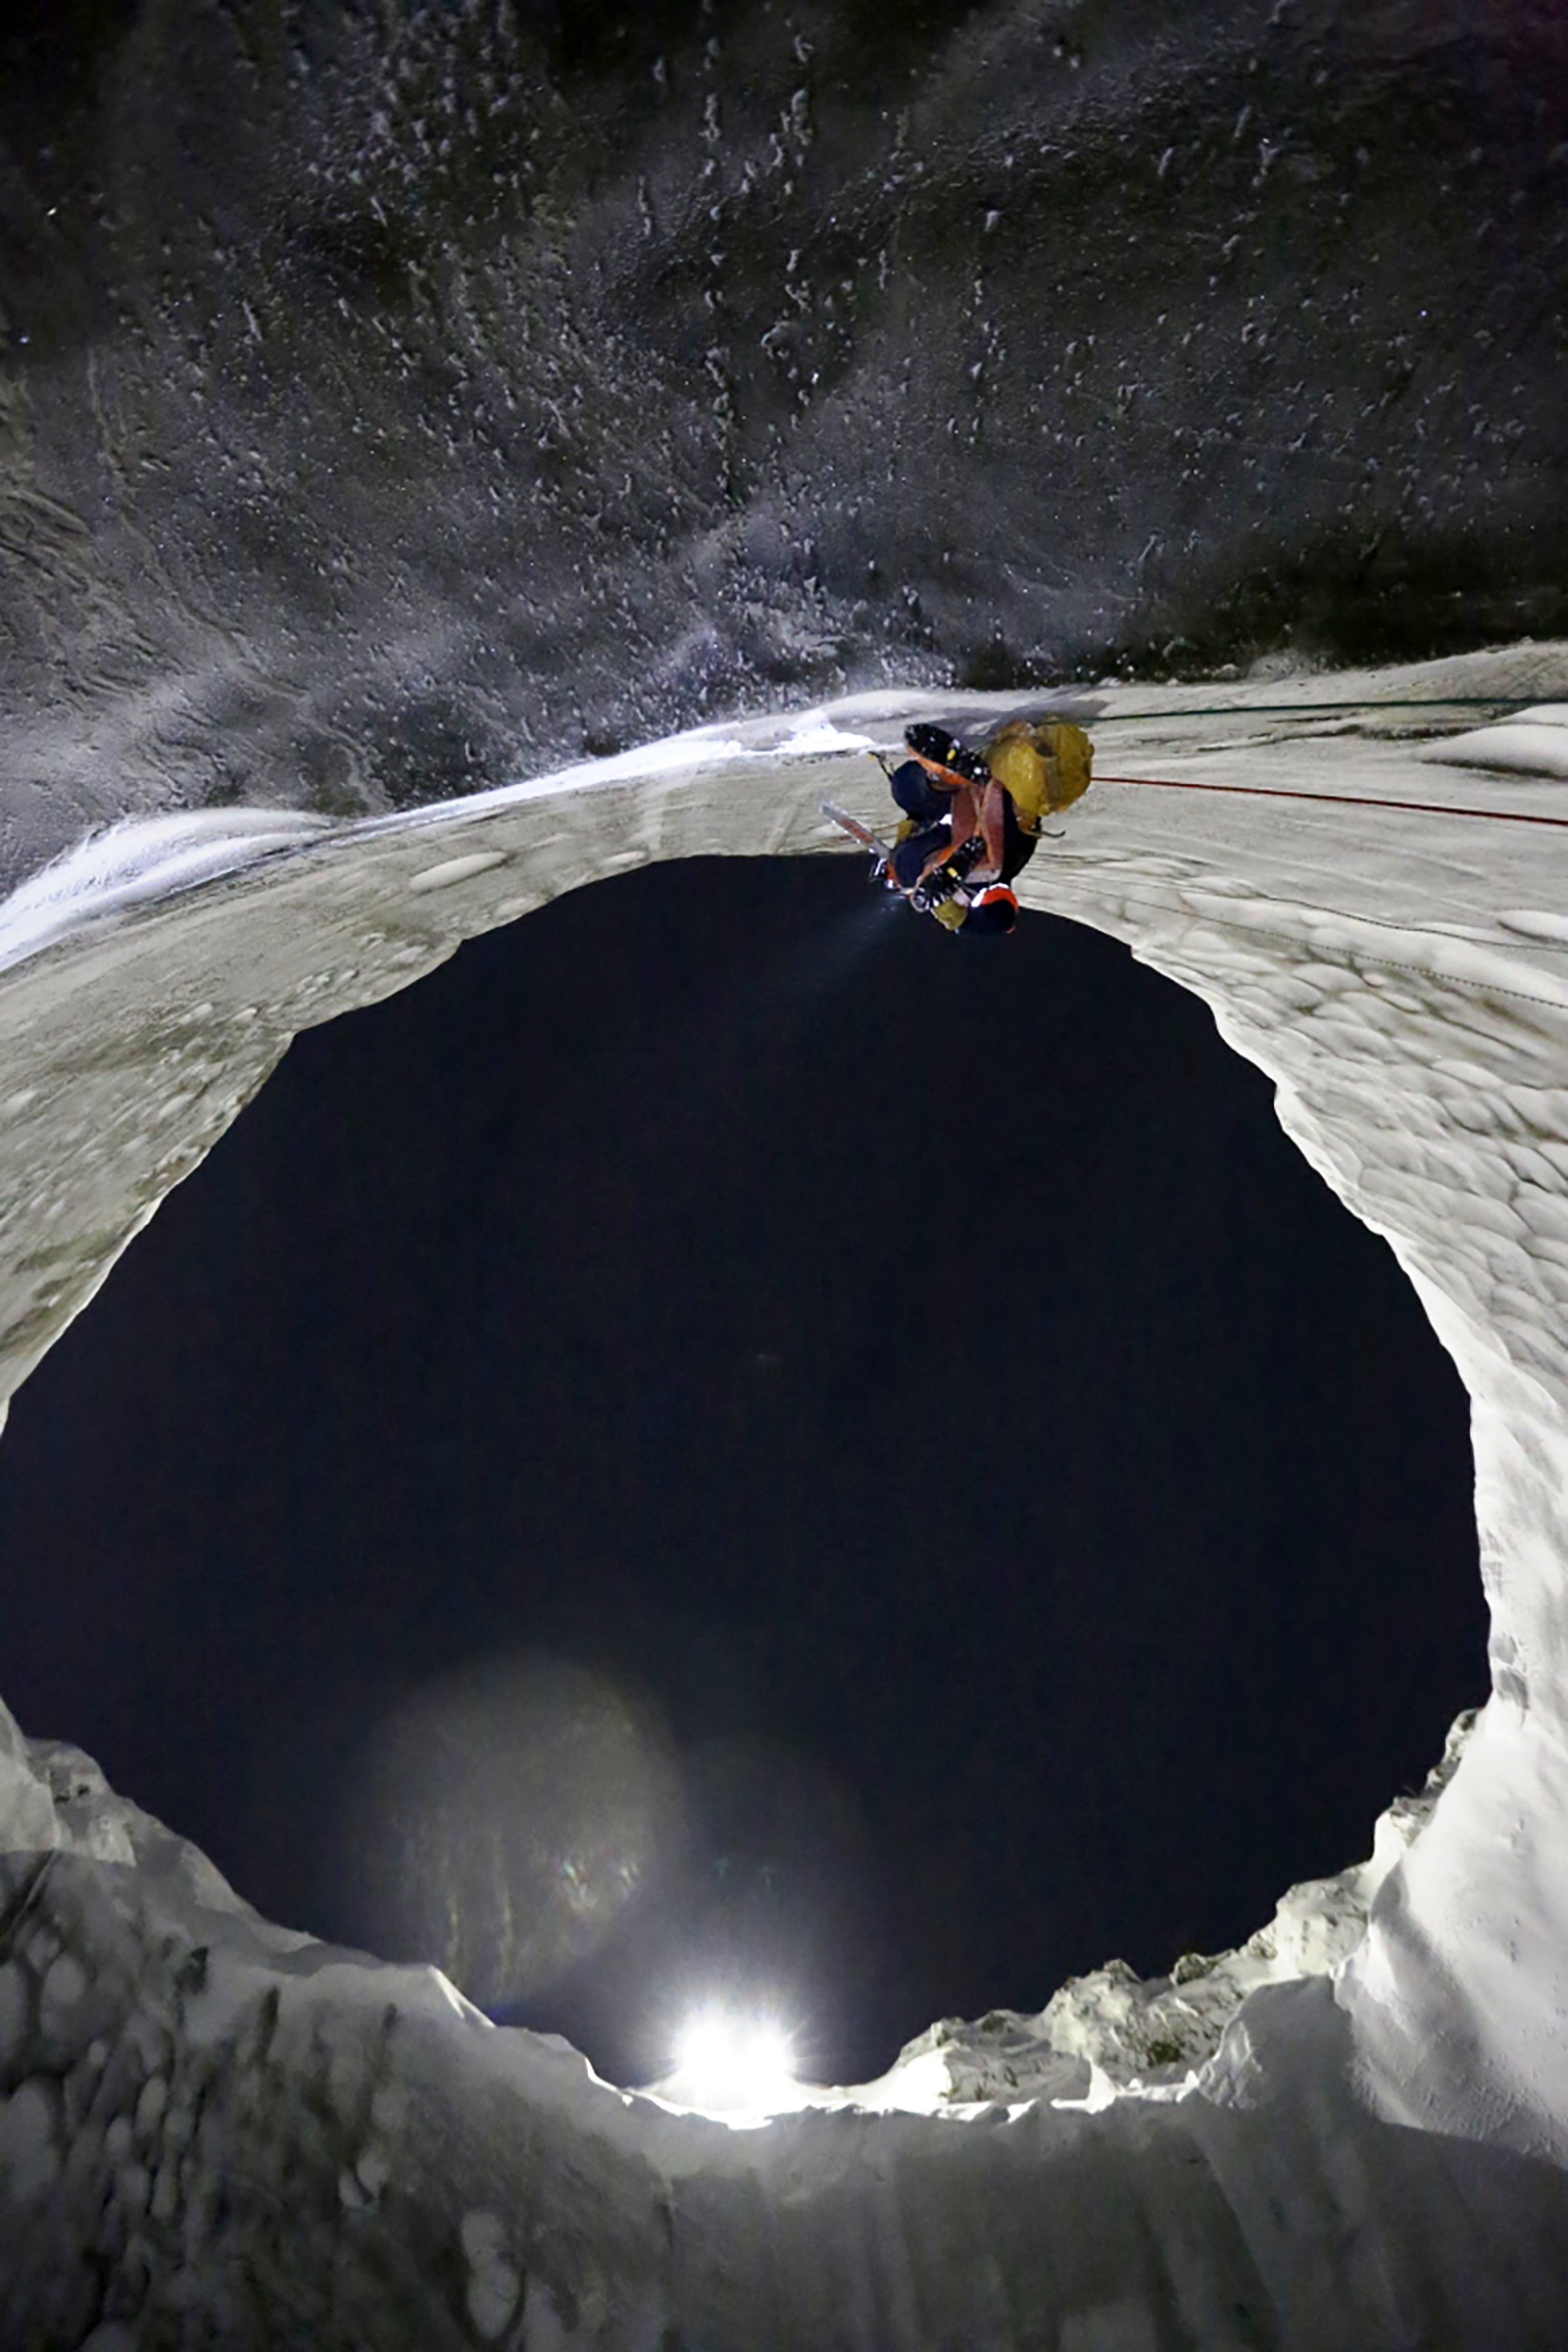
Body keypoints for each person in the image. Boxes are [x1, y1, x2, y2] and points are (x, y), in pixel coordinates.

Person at [880, 715, 1093, 935]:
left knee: (906, 791)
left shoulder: (1015, 862)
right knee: (907, 814)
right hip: (984, 815)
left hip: (984, 794)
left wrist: (912, 829)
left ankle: (943, 780)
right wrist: (958, 918)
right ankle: (942, 780)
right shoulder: (990, 876)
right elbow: (996, 914)